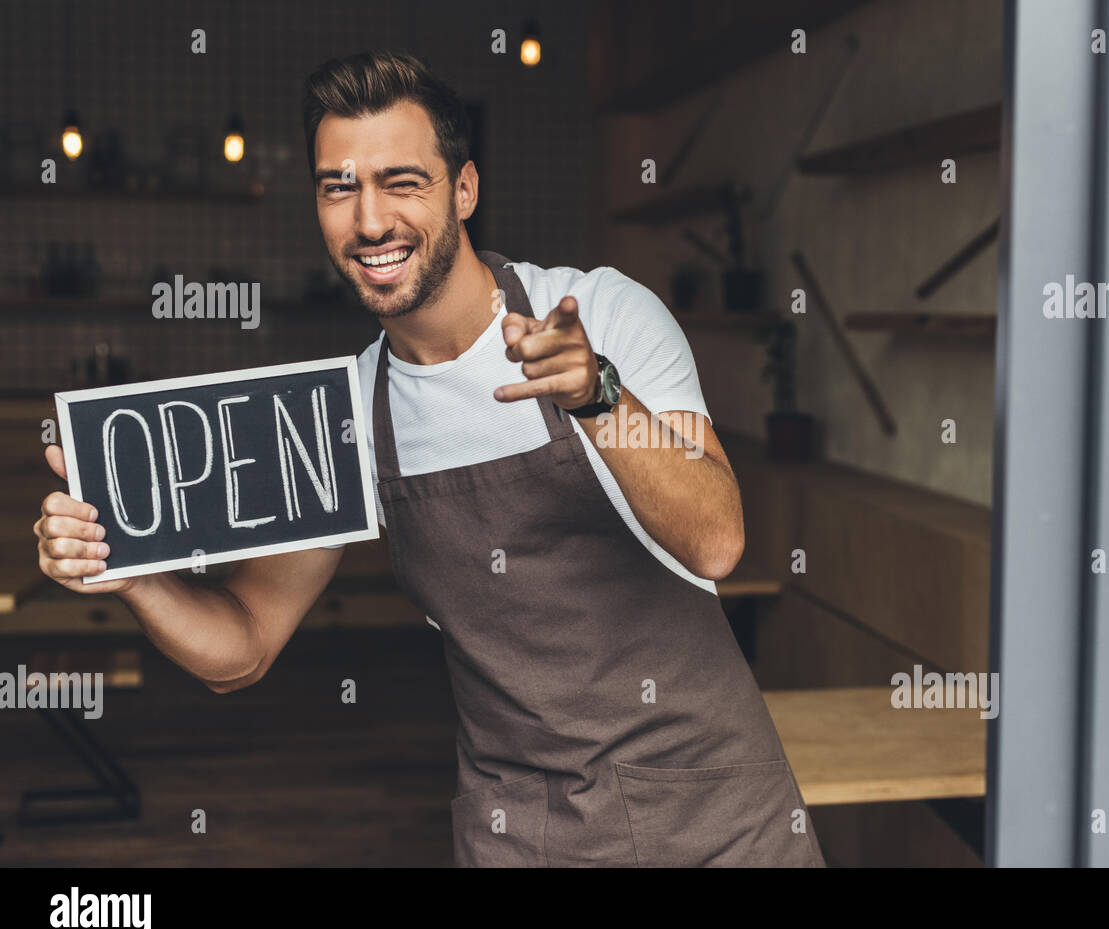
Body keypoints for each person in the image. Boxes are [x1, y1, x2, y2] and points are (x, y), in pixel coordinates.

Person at [33, 50, 825, 868]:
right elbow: (243, 646)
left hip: (716, 822)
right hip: (523, 833)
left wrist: (600, 398)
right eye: (339, 187)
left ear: (466, 189)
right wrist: (127, 571)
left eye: (402, 181)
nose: (369, 220)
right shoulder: (342, 415)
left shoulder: (607, 313)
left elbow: (717, 540)